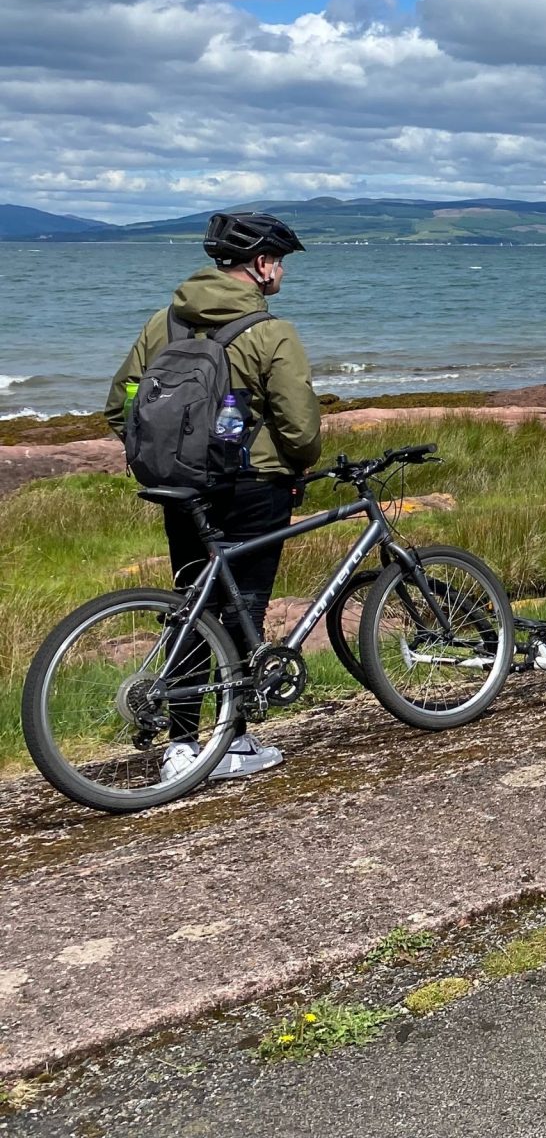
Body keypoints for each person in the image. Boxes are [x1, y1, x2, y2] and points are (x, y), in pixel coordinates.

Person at [104, 210, 322, 782]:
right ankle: (234, 744)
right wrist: (296, 466)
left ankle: (183, 743)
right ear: (262, 265)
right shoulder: (270, 333)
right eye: (280, 263)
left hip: (180, 486)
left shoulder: (163, 324)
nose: (281, 274)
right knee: (242, 606)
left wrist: (164, 453)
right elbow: (299, 429)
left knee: (189, 609)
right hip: (255, 486)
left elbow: (120, 403)